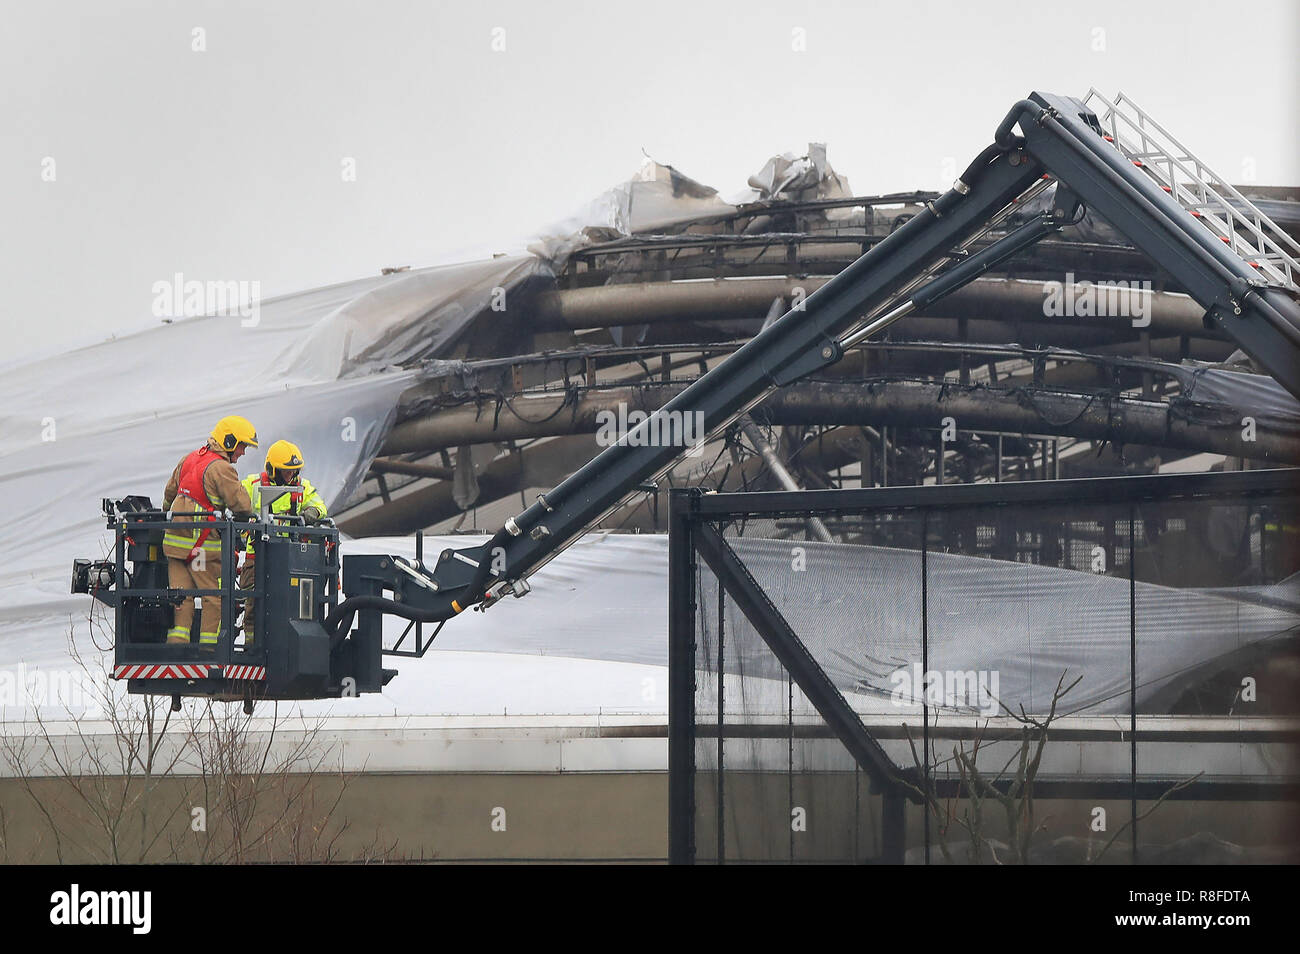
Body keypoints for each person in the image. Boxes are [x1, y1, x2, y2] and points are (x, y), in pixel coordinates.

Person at [161, 415, 258, 647]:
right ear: (230, 441)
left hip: (175, 546)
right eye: (242, 446)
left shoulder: (189, 459)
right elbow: (242, 505)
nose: (243, 453)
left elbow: (169, 495)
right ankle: (210, 649)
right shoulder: (222, 469)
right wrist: (249, 518)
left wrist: (168, 511)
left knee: (181, 597)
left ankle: (178, 646)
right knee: (213, 598)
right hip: (201, 552)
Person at [238, 440, 328, 647]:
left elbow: (319, 504)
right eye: (285, 471)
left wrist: (313, 512)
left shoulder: (302, 486)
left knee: (290, 608)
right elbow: (233, 501)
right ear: (272, 469)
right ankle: (252, 648)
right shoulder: (252, 485)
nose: (290, 476)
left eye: (293, 471)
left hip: (290, 559)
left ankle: (282, 647)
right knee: (253, 607)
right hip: (257, 557)